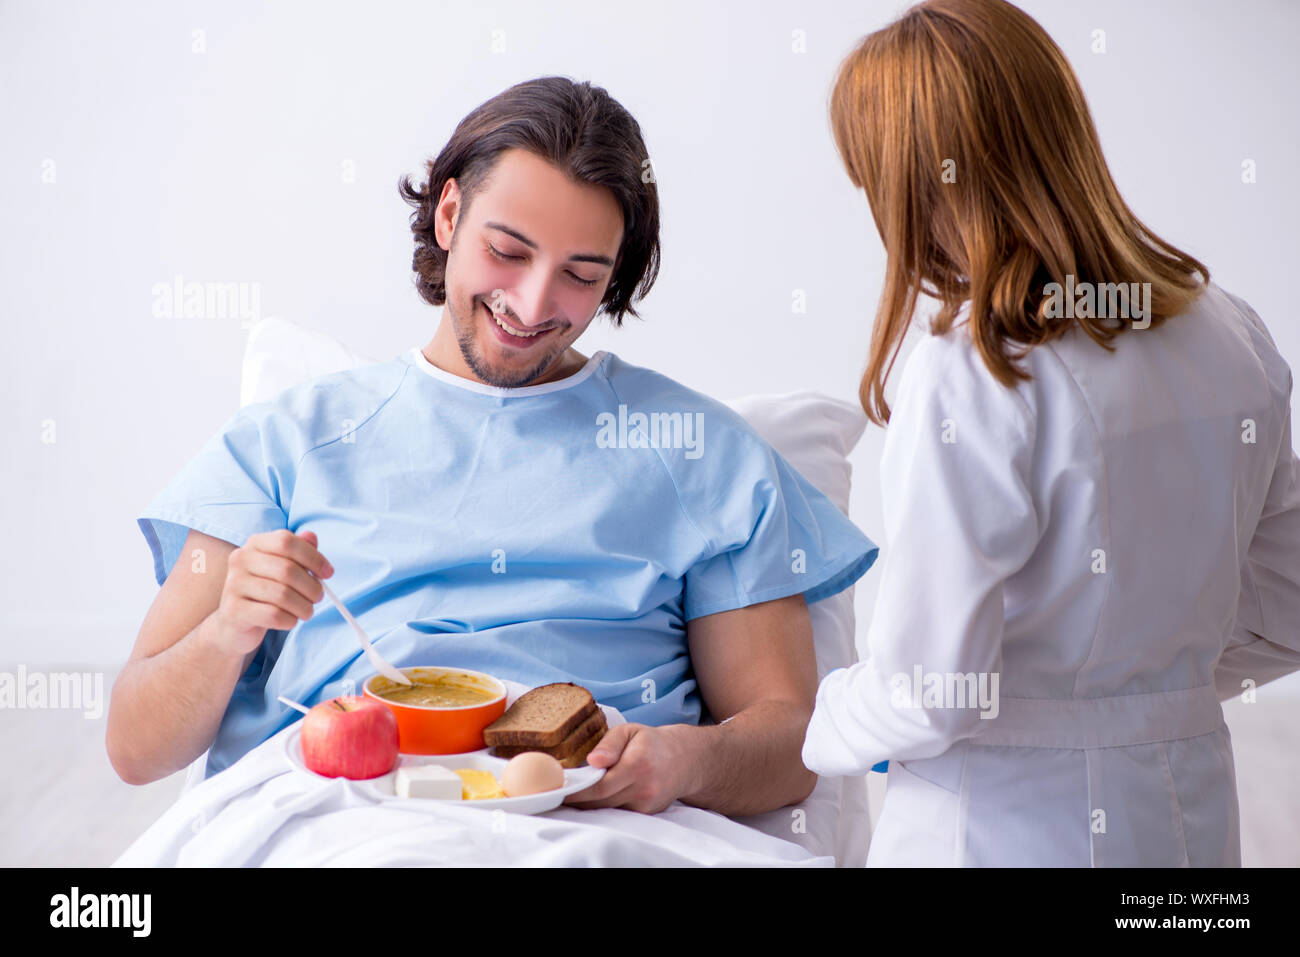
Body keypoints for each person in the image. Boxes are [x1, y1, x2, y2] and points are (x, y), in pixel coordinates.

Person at [108, 76, 879, 818]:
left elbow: (788, 739)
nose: (533, 304)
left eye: (580, 274)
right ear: (449, 215)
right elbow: (135, 746)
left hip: (604, 829)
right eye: (508, 251)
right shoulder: (290, 440)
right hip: (345, 817)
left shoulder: (699, 452)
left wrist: (687, 760)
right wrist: (226, 632)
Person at [801, 0, 1300, 866]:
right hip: (1190, 829)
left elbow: (929, 696)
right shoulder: (1233, 333)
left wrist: (819, 721)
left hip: (1000, 831)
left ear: (918, 184)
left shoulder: (974, 371)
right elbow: (1291, 610)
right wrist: (1144, 700)